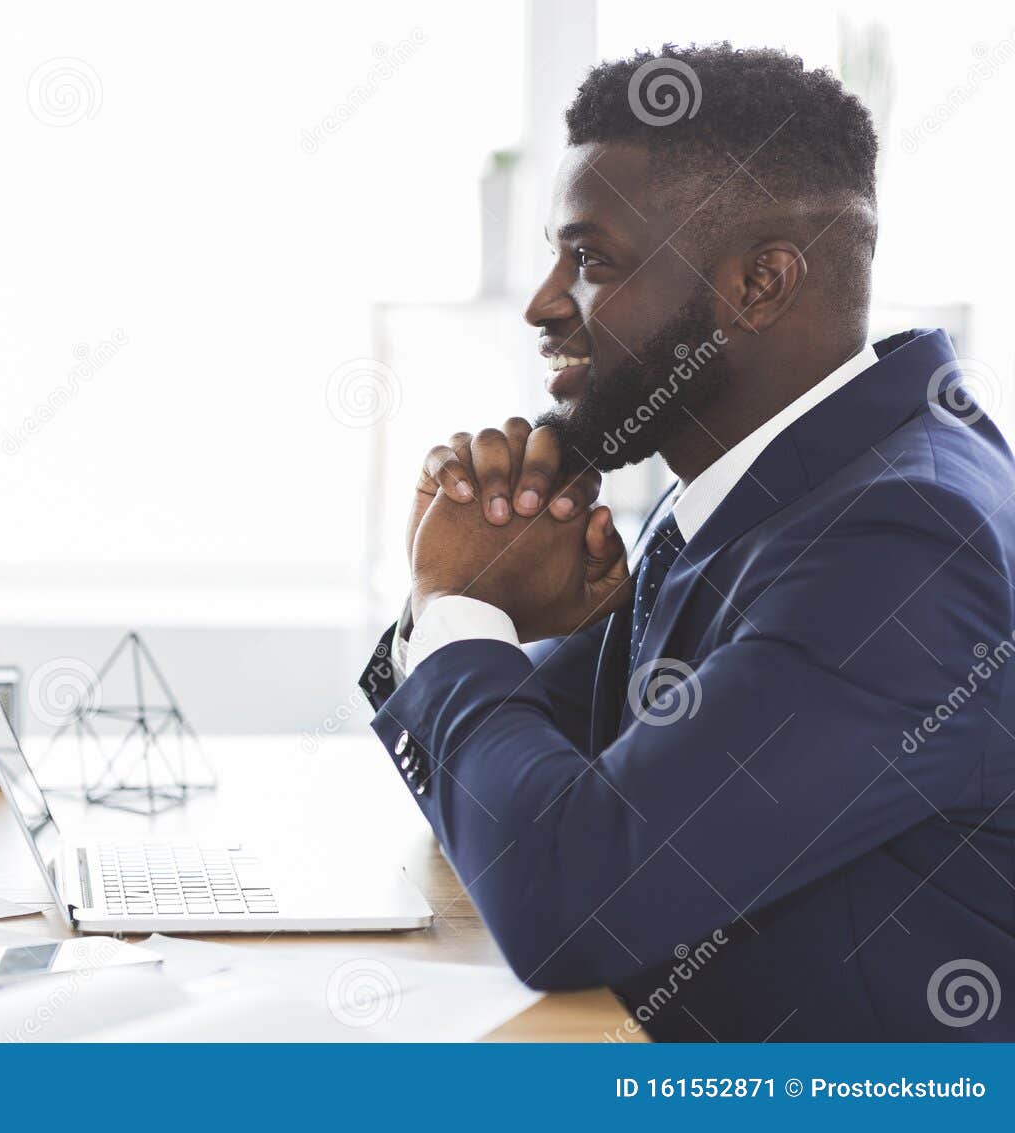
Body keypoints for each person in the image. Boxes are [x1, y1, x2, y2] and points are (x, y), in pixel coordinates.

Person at [360, 42, 1015, 1041]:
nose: (542, 300)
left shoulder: (902, 547)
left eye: (591, 260)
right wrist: (461, 602)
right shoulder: (743, 484)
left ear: (759, 283)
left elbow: (567, 896)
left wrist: (460, 607)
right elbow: (533, 789)